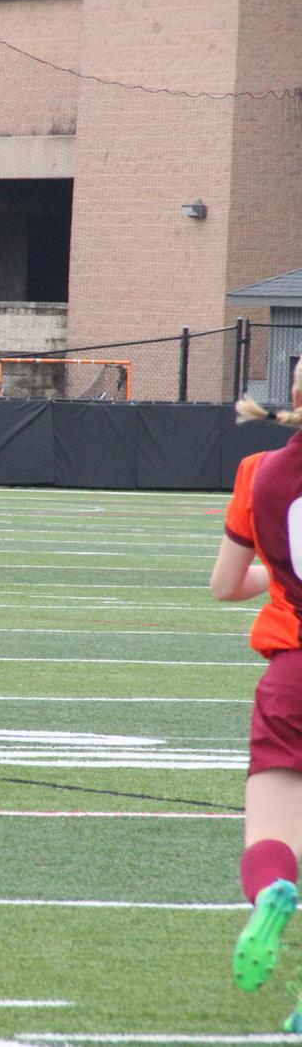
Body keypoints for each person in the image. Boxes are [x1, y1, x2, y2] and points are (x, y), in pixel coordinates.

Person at [216, 368, 302, 1018]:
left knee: (273, 835)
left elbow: (224, 584)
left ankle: (273, 890)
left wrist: (276, 577)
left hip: (291, 675)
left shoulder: (259, 472)